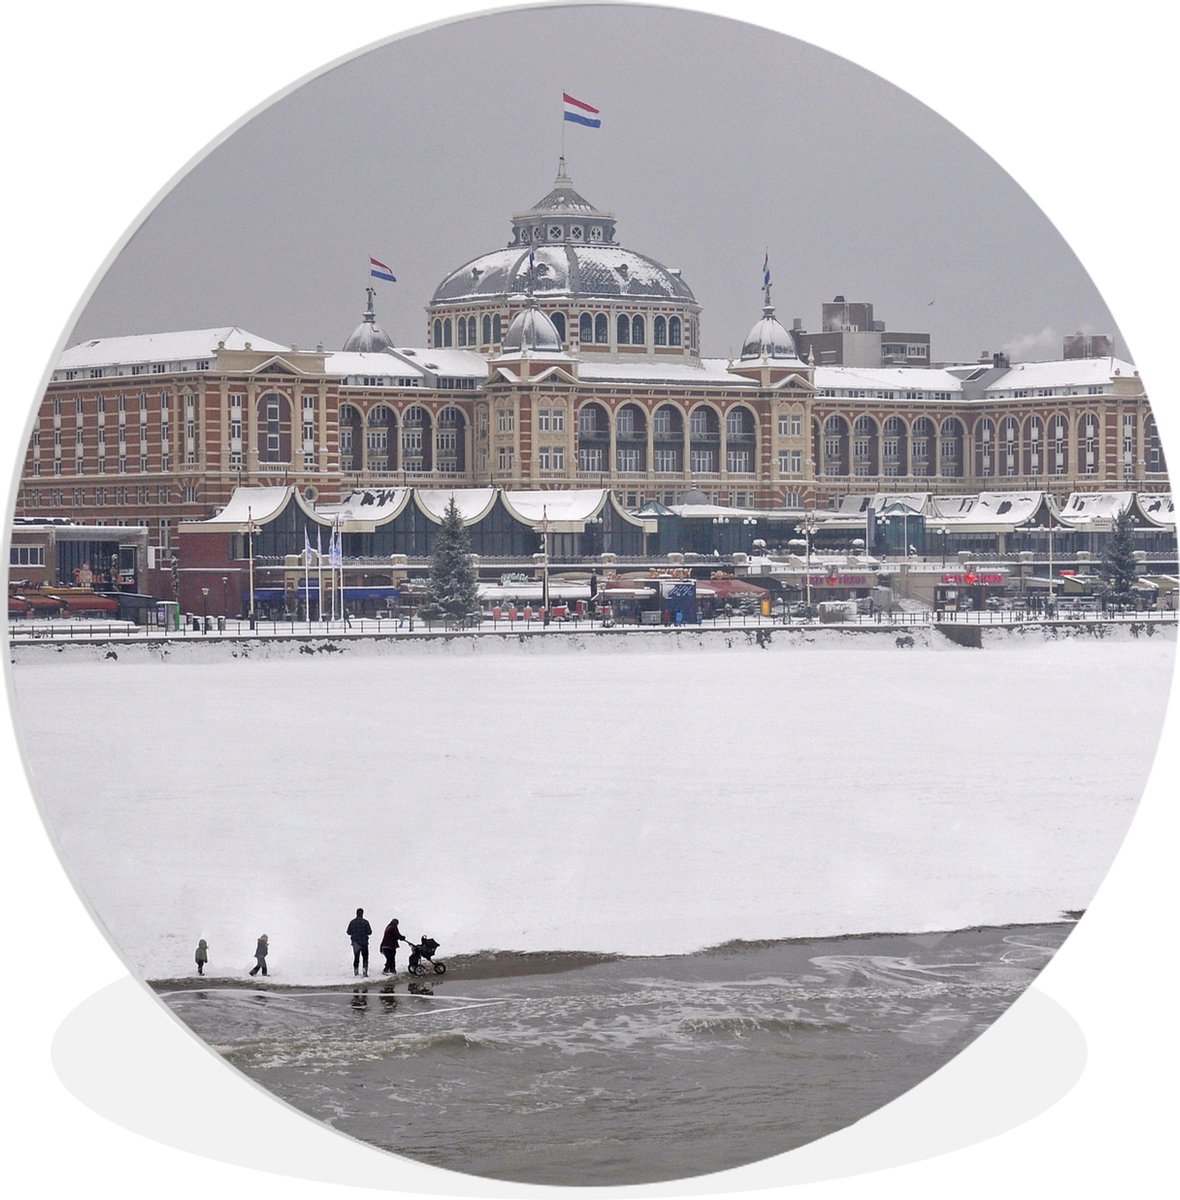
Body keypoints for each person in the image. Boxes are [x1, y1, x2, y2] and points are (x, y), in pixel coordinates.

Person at [347, 907, 372, 976]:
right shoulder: (365, 922)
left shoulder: (352, 922)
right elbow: (369, 932)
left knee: (356, 957)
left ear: (356, 913)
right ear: (362, 913)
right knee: (365, 957)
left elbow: (348, 932)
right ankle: (365, 971)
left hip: (355, 943)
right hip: (364, 943)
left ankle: (356, 971)